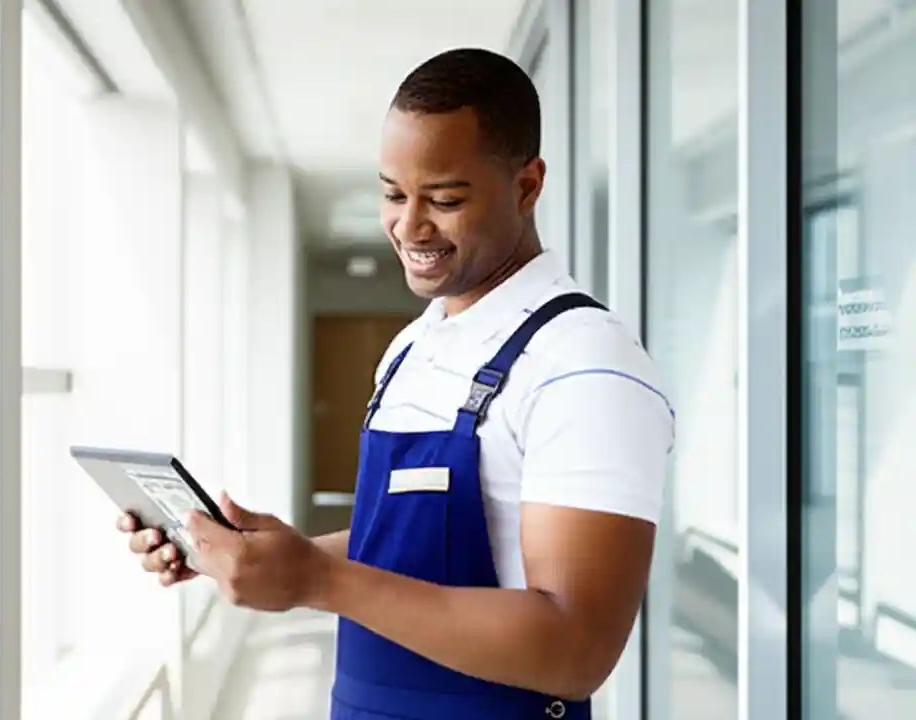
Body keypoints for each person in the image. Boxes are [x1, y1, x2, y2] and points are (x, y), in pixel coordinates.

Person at [117, 47, 673, 720]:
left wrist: (319, 580)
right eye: (392, 194)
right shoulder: (412, 347)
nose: (410, 226)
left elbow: (576, 651)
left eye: (444, 199)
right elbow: (411, 540)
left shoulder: (584, 362)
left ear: (527, 186)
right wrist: (259, 556)